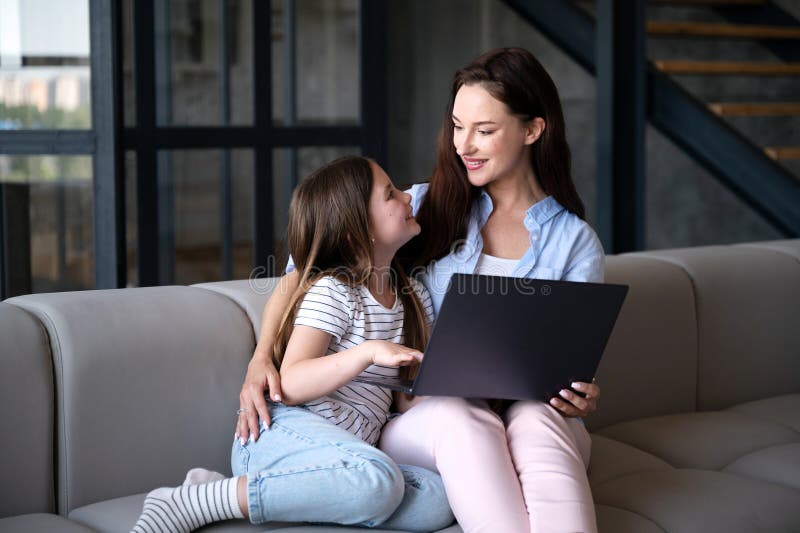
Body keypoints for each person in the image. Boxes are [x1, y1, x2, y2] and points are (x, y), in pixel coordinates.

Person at [238, 47, 603, 533]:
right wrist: (262, 357)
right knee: (461, 415)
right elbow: (306, 268)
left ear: (533, 130)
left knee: (535, 421)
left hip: (533, 414)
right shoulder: (422, 206)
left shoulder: (575, 242)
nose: (464, 146)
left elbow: (570, 363)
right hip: (432, 417)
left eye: (485, 131)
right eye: (457, 125)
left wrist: (578, 394)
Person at [132, 156, 454, 533]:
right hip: (280, 432)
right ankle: (198, 500)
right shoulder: (335, 290)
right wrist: (368, 352)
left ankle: (277, 492)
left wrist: (459, 385)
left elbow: (404, 400)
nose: (408, 197)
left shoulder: (413, 297)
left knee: (437, 501)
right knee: (379, 480)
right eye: (391, 194)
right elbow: (293, 382)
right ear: (356, 233)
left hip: (346, 455)